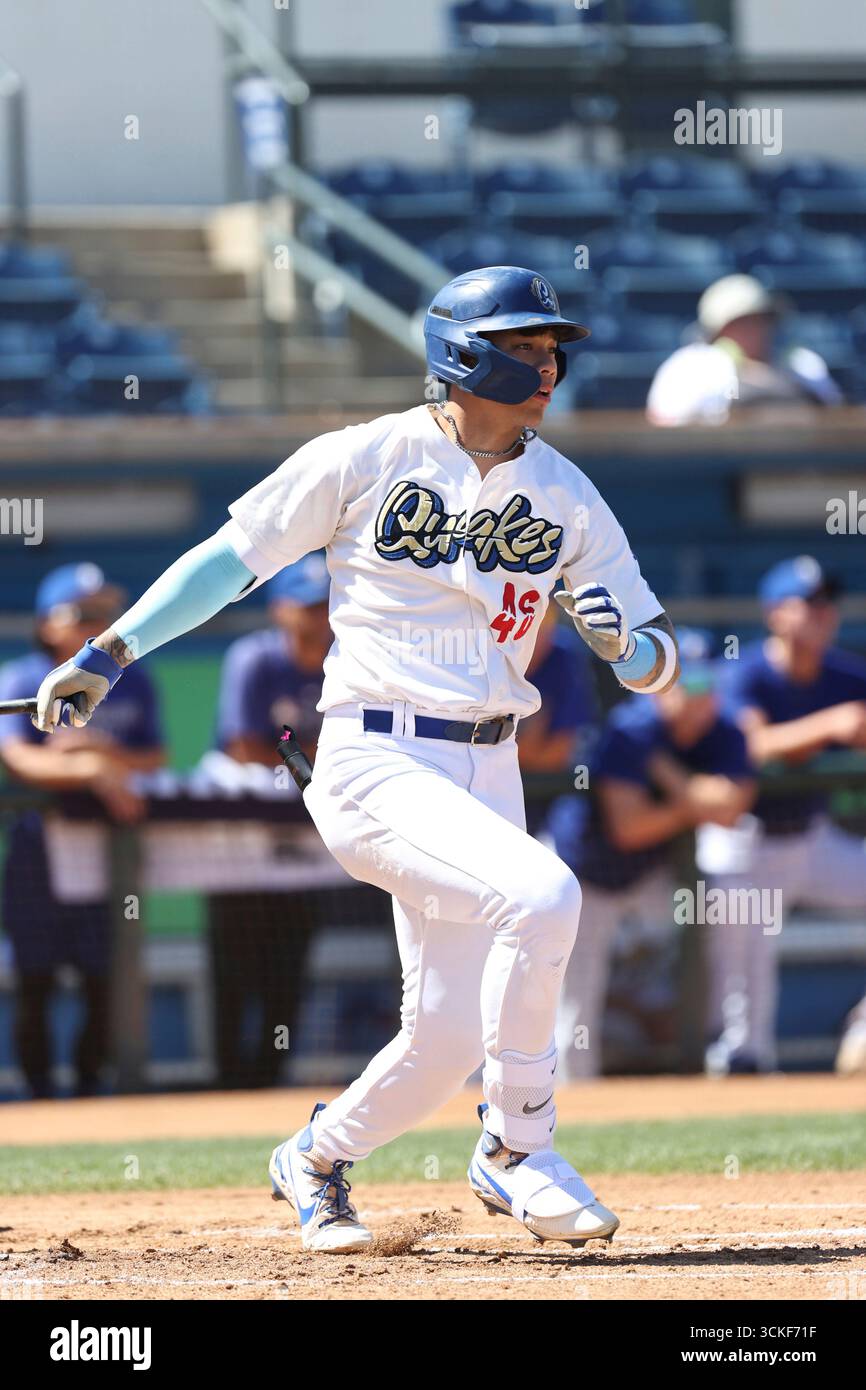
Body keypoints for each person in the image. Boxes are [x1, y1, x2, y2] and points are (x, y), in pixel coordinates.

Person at [31, 264, 680, 1253]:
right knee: (544, 896)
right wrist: (108, 652)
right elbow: (229, 557)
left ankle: (315, 1158)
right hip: (373, 755)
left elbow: (654, 652)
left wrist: (625, 650)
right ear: (459, 355)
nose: (545, 362)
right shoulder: (365, 455)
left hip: (488, 766)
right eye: (520, 344)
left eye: (549, 346)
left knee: (447, 1036)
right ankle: (515, 1150)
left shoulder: (566, 492)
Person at [547, 631, 755, 1080]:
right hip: (584, 875)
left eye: (709, 686)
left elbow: (730, 808)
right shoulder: (633, 727)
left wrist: (671, 778)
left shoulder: (724, 730)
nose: (702, 698)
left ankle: (729, 1051)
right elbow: (629, 829)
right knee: (574, 1003)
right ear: (663, 687)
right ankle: (570, 1105)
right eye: (690, 686)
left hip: (651, 880)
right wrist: (695, 801)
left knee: (732, 906)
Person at [0, 564, 164, 1097]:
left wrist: (101, 753)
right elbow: (19, 759)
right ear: (48, 625)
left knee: (102, 977)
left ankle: (92, 1092)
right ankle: (42, 1095)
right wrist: (90, 771)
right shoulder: (24, 677)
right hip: (37, 851)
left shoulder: (133, 676)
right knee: (36, 979)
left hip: (107, 852)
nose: (97, 625)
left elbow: (155, 758)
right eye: (83, 615)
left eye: (104, 614)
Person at [703, 556, 866, 1074]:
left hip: (813, 839)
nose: (823, 614)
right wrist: (832, 725)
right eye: (809, 604)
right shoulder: (743, 670)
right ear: (776, 614)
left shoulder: (845, 672)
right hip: (745, 844)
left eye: (828, 605)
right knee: (743, 1010)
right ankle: (740, 1074)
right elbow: (753, 745)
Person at [208, 552, 332, 1089]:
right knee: (233, 965)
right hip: (242, 838)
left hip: (309, 836)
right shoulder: (255, 657)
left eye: (327, 605)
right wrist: (302, 749)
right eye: (308, 606)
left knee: (290, 964)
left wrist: (295, 749)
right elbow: (245, 744)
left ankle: (269, 1077)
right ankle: (230, 1079)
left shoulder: (353, 657)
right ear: (281, 610)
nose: (319, 617)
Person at [646, 273, 842, 427]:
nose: (756, 329)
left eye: (761, 320)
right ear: (719, 330)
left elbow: (836, 419)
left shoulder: (802, 364)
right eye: (742, 322)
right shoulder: (693, 366)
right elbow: (663, 424)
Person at [515, 597, 598, 835]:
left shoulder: (564, 655)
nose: (538, 632)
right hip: (489, 785)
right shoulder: (486, 650)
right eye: (528, 621)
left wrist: (502, 745)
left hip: (562, 788)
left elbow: (557, 755)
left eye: (546, 620)